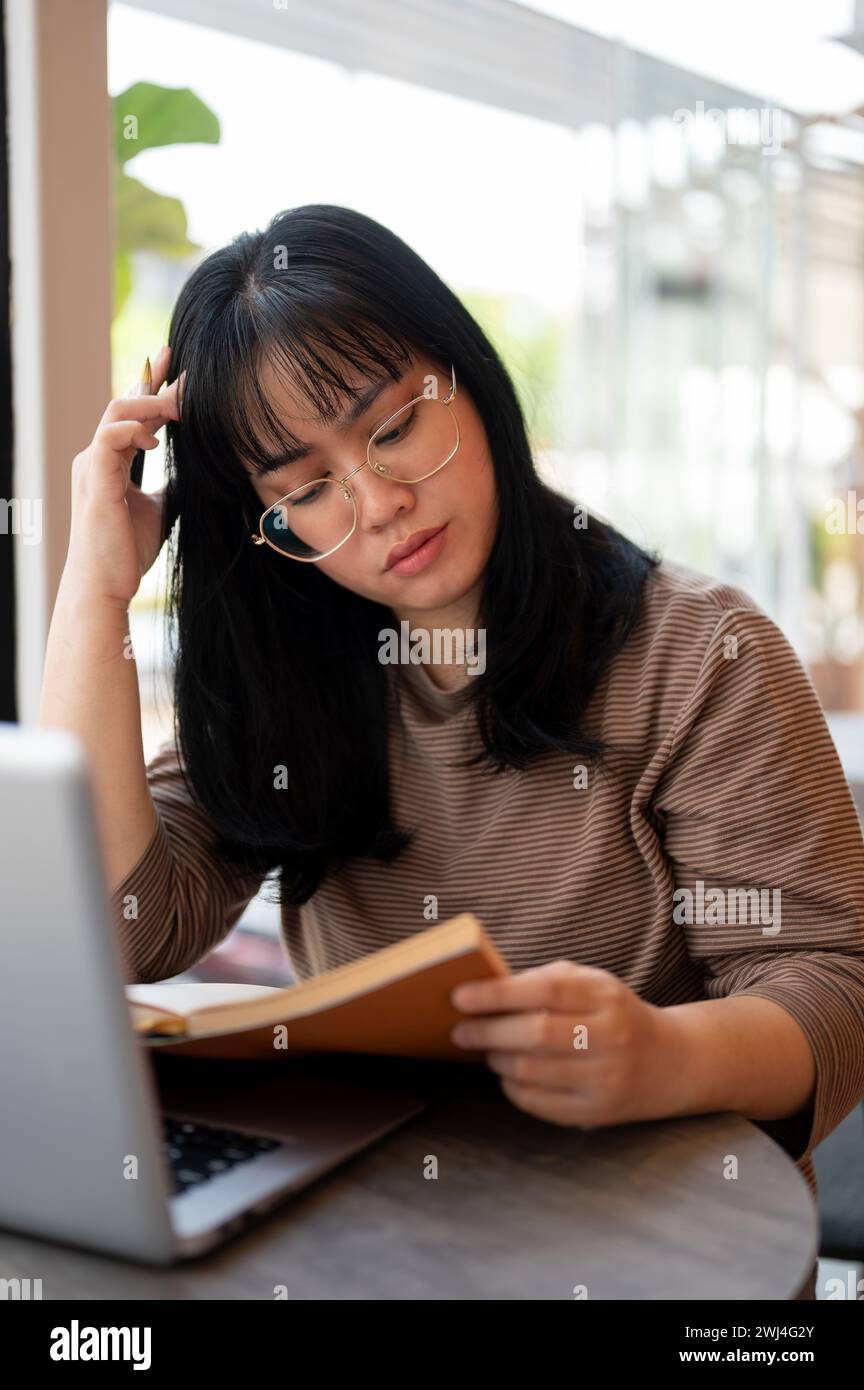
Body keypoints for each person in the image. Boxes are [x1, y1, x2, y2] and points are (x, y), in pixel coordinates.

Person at [40, 205, 864, 1298]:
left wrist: (661, 1058)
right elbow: (123, 931)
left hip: (665, 1250)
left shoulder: (701, 655)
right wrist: (94, 591)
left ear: (467, 374)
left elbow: (831, 989)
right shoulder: (296, 679)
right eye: (303, 493)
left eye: (392, 429)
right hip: (381, 1247)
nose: (377, 506)